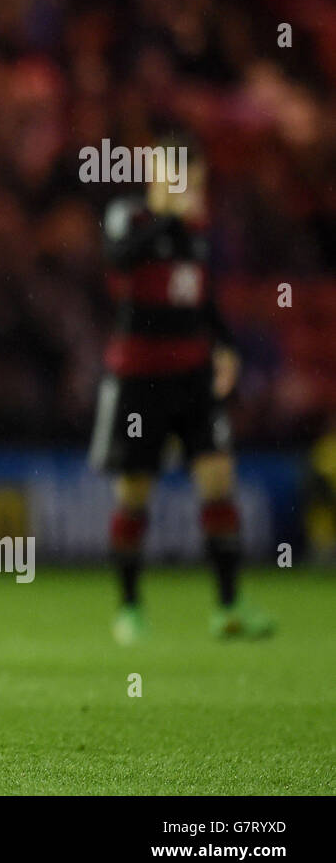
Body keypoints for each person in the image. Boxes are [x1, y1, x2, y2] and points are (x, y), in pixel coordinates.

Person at [89, 149, 276, 644]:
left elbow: (201, 299)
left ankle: (228, 607)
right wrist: (168, 217)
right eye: (183, 179)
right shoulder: (130, 216)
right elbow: (118, 258)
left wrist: (227, 346)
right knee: (135, 491)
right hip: (138, 379)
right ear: (158, 176)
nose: (192, 189)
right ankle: (129, 609)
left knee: (218, 477)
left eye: (196, 180)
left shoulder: (196, 235)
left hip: (192, 377)